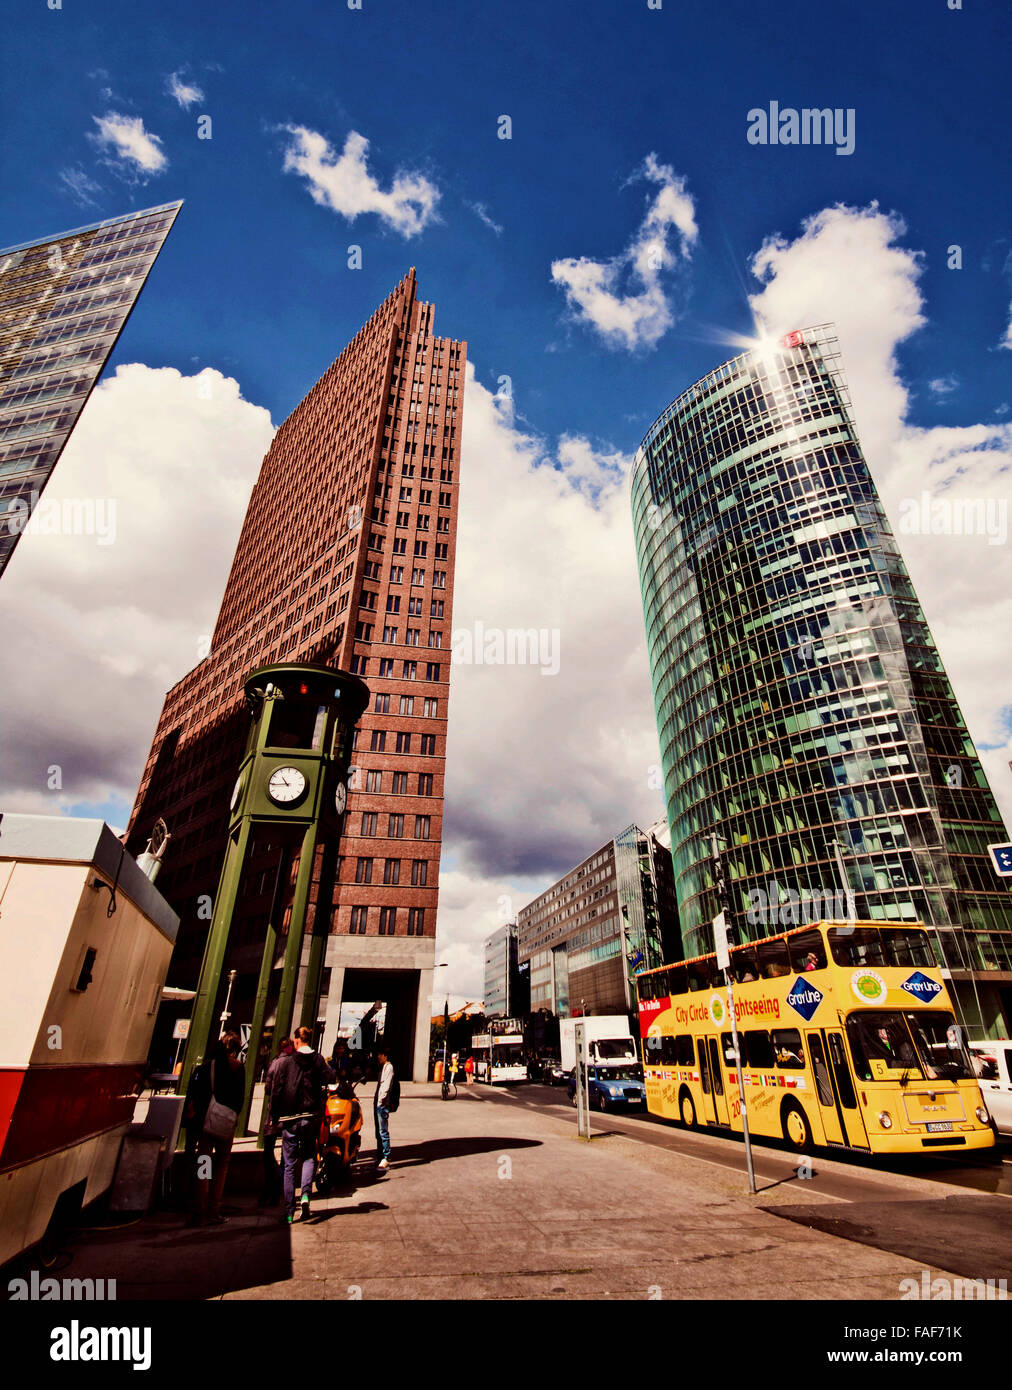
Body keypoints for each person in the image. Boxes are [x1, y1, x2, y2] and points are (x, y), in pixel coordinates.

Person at [273, 1025, 336, 1223]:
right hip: (310, 1116)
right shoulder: (317, 1059)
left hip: (290, 1119)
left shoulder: (288, 1061)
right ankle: (307, 1194)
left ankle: (290, 1211)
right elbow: (331, 1078)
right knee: (309, 1156)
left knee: (290, 1164)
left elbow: (277, 1089)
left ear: (297, 1041)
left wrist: (275, 1115)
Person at [186, 1030, 246, 1226]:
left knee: (204, 1163)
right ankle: (214, 1210)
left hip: (206, 1123)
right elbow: (240, 1098)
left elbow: (194, 1094)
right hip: (226, 1124)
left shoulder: (207, 1067)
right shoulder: (238, 1068)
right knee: (221, 1166)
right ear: (236, 1049)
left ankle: (199, 1210)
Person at [259, 1037, 294, 1206]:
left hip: (273, 1115)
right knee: (286, 1153)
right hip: (289, 1115)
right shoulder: (295, 1064)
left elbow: (267, 1088)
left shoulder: (275, 1063)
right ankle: (280, 1186)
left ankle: (268, 1185)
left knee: (269, 1150)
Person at [374, 1046, 395, 1173]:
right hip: (379, 1103)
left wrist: (381, 1100)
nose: (378, 1057)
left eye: (380, 1054)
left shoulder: (389, 1068)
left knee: (383, 1131)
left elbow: (386, 1086)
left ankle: (386, 1157)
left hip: (382, 1104)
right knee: (380, 1130)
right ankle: (381, 1155)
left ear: (385, 1056)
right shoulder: (384, 1067)